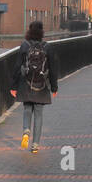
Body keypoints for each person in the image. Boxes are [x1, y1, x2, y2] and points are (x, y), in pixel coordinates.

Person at [9, 20, 59, 154]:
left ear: (29, 31)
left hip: (26, 83)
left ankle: (26, 130)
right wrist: (54, 87)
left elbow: (17, 67)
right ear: (42, 32)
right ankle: (35, 145)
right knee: (38, 115)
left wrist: (13, 86)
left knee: (26, 109)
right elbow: (53, 69)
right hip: (41, 85)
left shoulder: (25, 45)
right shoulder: (47, 47)